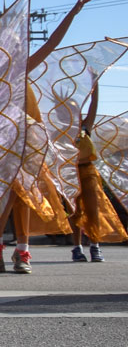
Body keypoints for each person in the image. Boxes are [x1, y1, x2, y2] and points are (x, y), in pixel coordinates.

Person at [0, 0, 91, 274]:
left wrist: (72, 13)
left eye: (17, 45)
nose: (14, 49)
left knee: (25, 197)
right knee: (8, 197)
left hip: (29, 146)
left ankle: (22, 252)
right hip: (4, 145)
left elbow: (51, 43)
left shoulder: (22, 72)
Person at [69, 80, 126, 262]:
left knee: (93, 209)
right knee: (74, 211)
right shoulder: (61, 131)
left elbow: (93, 105)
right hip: (70, 173)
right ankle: (77, 248)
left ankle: (95, 245)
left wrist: (95, 88)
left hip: (89, 172)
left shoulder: (86, 127)